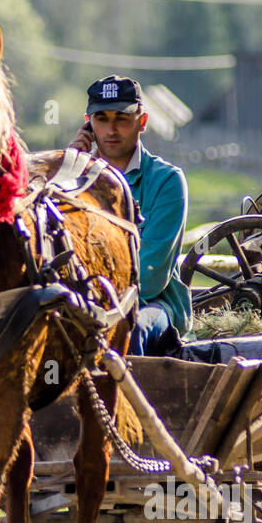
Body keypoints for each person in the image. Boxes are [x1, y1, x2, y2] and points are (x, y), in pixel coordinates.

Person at [68, 74, 191, 356]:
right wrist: (68, 169)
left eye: (122, 118)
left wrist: (94, 303)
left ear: (142, 122)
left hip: (151, 304)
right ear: (88, 122)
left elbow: (150, 274)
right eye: (101, 118)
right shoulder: (73, 179)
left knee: (128, 332)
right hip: (83, 301)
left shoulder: (167, 181)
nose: (111, 129)